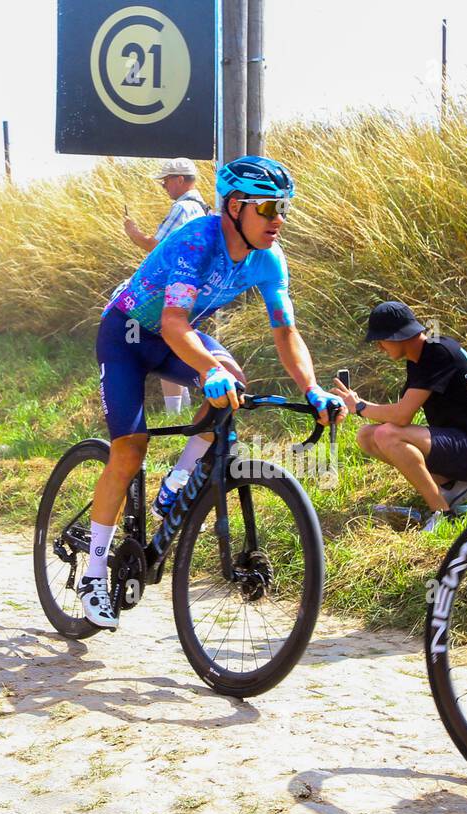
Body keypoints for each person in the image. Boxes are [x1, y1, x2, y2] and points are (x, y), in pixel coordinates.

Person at [80, 154, 344, 630]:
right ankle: (94, 573)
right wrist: (207, 369)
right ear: (236, 205)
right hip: (128, 334)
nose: (278, 220)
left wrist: (312, 388)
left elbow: (286, 332)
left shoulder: (268, 258)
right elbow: (174, 322)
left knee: (233, 383)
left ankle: (179, 478)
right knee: (129, 451)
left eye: (283, 208)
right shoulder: (199, 240)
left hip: (173, 336)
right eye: (267, 209)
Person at [334, 301, 467, 533]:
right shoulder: (422, 355)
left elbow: (402, 416)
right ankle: (452, 486)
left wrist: (361, 406)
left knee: (387, 435)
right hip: (463, 443)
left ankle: (443, 513)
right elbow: (399, 414)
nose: (380, 349)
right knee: (367, 436)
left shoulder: (437, 353)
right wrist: (352, 405)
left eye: (380, 340)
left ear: (397, 336)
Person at [123, 158, 211, 414]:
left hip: (173, 286)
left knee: (166, 342)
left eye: (166, 181)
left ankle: (175, 413)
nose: (164, 186)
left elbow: (156, 246)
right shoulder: (203, 208)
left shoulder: (182, 208)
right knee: (182, 340)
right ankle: (183, 409)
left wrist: (133, 233)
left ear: (180, 180)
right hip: (197, 287)